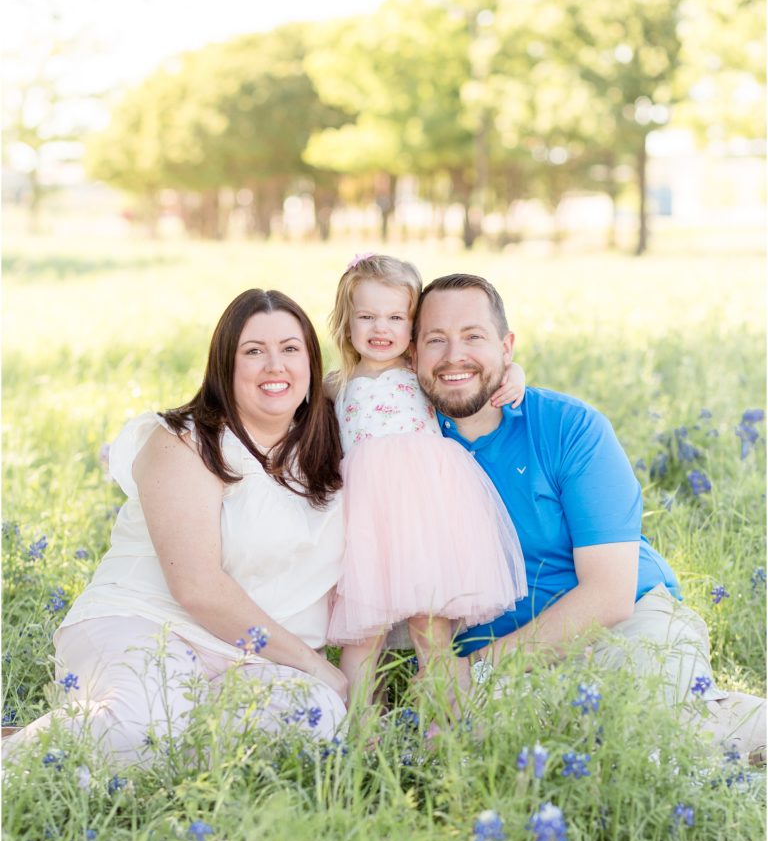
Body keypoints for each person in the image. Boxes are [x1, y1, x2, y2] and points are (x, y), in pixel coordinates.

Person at [412, 273, 766, 760]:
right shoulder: (400, 441)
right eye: (436, 339)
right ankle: (722, 721)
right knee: (490, 751)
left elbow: (609, 595)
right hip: (503, 654)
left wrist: (478, 669)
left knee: (616, 719)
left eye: (473, 336)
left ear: (507, 347)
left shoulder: (570, 426)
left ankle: (709, 734)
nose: (455, 355)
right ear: (412, 355)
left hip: (624, 623)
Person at [3, 289, 348, 767]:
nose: (275, 366)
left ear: (312, 367)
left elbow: (400, 377)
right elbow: (197, 587)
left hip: (254, 658)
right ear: (224, 369)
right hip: (147, 625)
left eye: (291, 349)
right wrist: (312, 664)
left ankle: (103, 740)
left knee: (315, 718)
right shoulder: (185, 443)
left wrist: (494, 373)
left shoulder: (334, 442)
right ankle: (37, 754)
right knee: (148, 723)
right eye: (253, 351)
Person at [325, 254, 527, 706]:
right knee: (363, 635)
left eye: (396, 317)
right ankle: (359, 729)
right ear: (347, 322)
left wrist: (516, 372)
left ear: (414, 326)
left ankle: (442, 727)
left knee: (431, 627)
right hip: (367, 521)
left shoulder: (418, 373)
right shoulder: (338, 382)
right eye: (367, 316)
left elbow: (490, 370)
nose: (382, 328)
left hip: (427, 514)